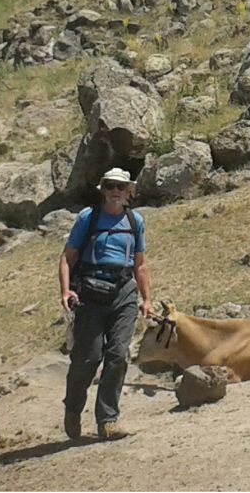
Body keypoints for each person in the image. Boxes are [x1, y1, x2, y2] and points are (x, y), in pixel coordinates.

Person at [58, 167, 151, 441]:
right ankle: (73, 409)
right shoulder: (88, 218)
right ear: (103, 190)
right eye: (110, 186)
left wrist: (147, 299)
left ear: (129, 192)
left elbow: (141, 264)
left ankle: (107, 421)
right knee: (88, 359)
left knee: (118, 356)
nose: (115, 192)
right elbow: (68, 257)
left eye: (120, 187)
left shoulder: (135, 221)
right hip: (90, 293)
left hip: (124, 292)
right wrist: (65, 291)